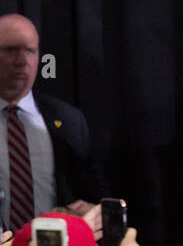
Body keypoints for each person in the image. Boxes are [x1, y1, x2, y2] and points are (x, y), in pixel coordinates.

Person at [0, 14, 107, 233]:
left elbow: (96, 194)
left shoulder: (69, 121)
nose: (22, 61)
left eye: (30, 51)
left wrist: (94, 211)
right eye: (11, 50)